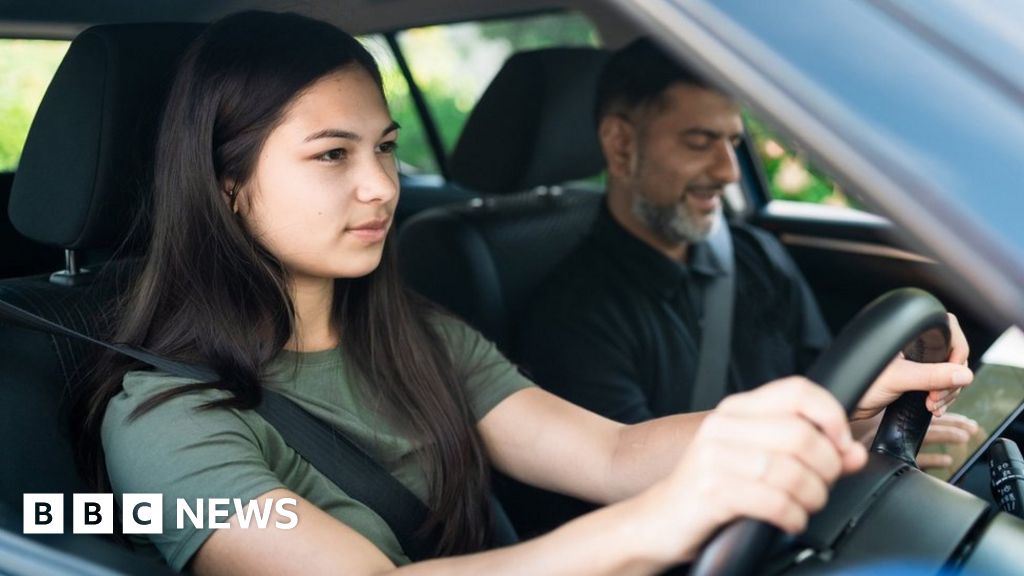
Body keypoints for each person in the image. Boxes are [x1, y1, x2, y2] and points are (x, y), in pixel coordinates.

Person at [75, 14, 970, 575]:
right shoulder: (166, 422)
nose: (383, 186)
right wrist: (655, 526)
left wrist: (826, 421)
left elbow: (614, 455)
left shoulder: (410, 331)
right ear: (227, 185)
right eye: (332, 155)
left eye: (386, 148)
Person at [514, 37, 977, 532]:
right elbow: (637, 504)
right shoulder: (573, 318)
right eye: (699, 142)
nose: (728, 171)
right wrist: (846, 452)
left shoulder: (754, 254)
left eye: (733, 142)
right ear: (622, 144)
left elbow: (827, 382)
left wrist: (877, 432)